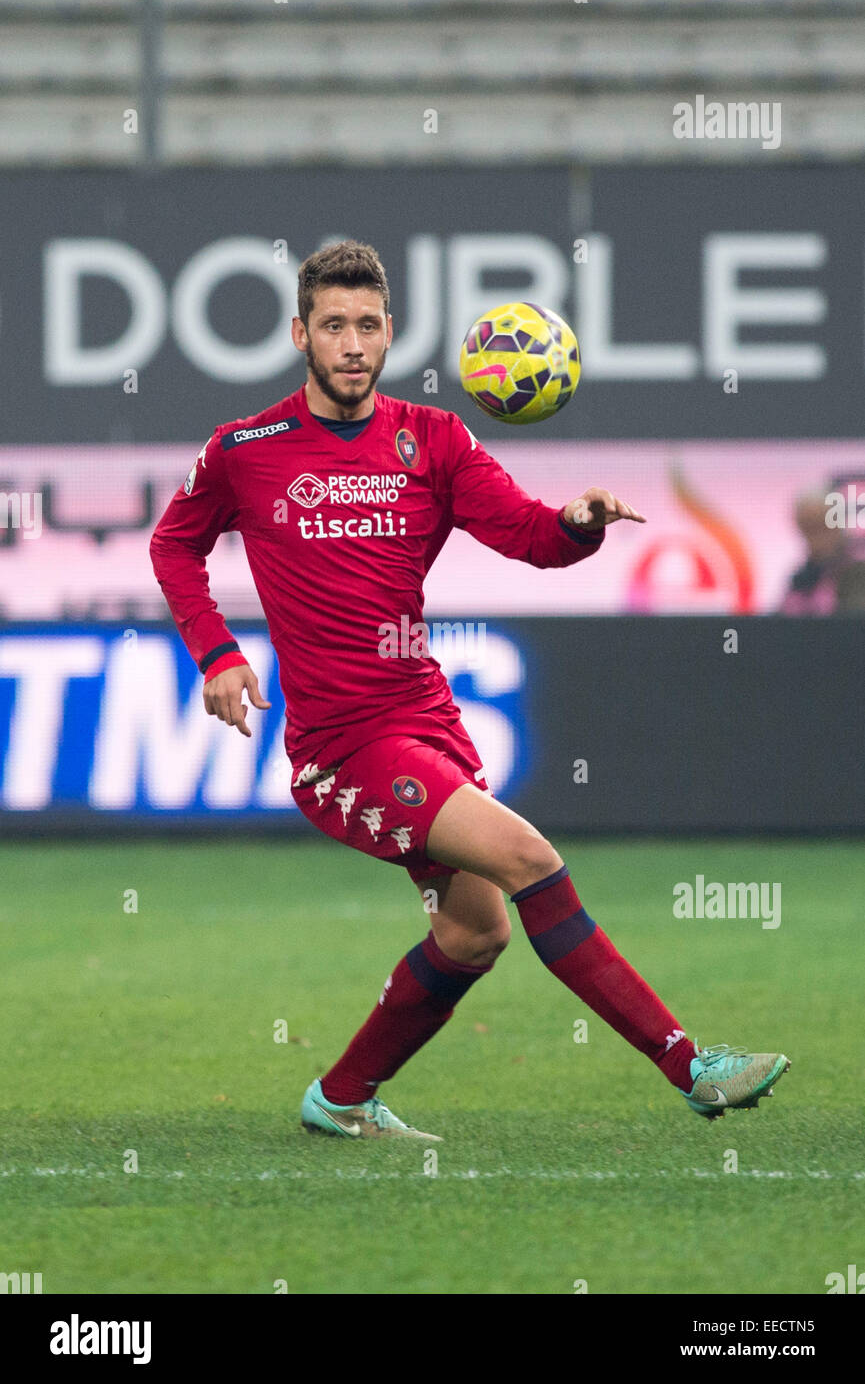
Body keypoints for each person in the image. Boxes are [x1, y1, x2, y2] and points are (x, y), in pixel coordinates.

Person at [150, 240, 789, 1140]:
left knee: (473, 935)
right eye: (332, 325)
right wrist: (216, 653)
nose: (351, 344)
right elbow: (173, 544)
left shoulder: (434, 438)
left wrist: (578, 524)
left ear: (389, 333)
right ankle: (693, 1067)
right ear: (300, 334)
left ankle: (338, 1099)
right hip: (342, 746)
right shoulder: (244, 451)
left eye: (367, 326)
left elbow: (528, 533)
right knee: (529, 858)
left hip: (425, 719)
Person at [780, 488, 865, 615]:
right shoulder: (801, 579)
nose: (817, 538)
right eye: (809, 529)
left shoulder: (858, 571)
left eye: (823, 527)